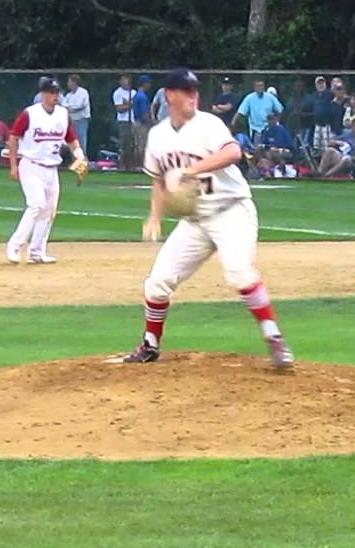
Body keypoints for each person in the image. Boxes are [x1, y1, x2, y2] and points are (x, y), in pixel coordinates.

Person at [123, 67, 293, 368]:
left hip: (232, 211)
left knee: (239, 273)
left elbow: (233, 152)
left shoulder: (208, 124)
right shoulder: (158, 136)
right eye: (186, 91)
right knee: (157, 282)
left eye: (195, 90)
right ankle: (150, 344)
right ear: (170, 95)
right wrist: (154, 216)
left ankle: (275, 338)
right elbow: (159, 180)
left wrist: (191, 170)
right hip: (196, 221)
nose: (193, 96)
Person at [5, 77, 88, 265]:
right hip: (31, 165)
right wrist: (13, 165)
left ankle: (36, 252)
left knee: (49, 210)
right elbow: (13, 138)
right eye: (51, 92)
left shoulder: (62, 114)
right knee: (36, 205)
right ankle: (14, 245)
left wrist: (80, 155)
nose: (54, 96)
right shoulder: (30, 114)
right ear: (42, 94)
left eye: (57, 92)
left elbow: (71, 138)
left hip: (52, 169)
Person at [255, 111, 296, 177]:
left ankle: (281, 167)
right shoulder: (267, 130)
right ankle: (261, 170)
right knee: (258, 149)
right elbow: (262, 143)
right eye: (269, 119)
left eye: (272, 119)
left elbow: (280, 144)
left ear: (276, 119)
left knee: (272, 151)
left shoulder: (281, 130)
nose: (270, 121)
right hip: (270, 151)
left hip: (285, 150)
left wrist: (269, 148)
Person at [61, 75, 91, 157]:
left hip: (81, 120)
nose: (68, 84)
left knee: (81, 143)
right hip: (71, 121)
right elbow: (63, 105)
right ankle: (75, 164)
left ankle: (82, 165)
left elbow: (79, 106)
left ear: (74, 82)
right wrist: (70, 107)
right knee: (72, 143)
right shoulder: (68, 95)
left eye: (69, 82)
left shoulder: (83, 92)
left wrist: (69, 107)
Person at [113, 74, 137, 169]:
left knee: (134, 144)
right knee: (124, 144)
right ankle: (122, 165)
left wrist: (127, 104)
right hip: (123, 121)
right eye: (122, 80)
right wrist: (130, 105)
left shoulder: (134, 92)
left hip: (134, 120)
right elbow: (119, 109)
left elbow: (137, 105)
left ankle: (132, 166)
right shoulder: (118, 93)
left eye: (126, 80)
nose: (124, 82)